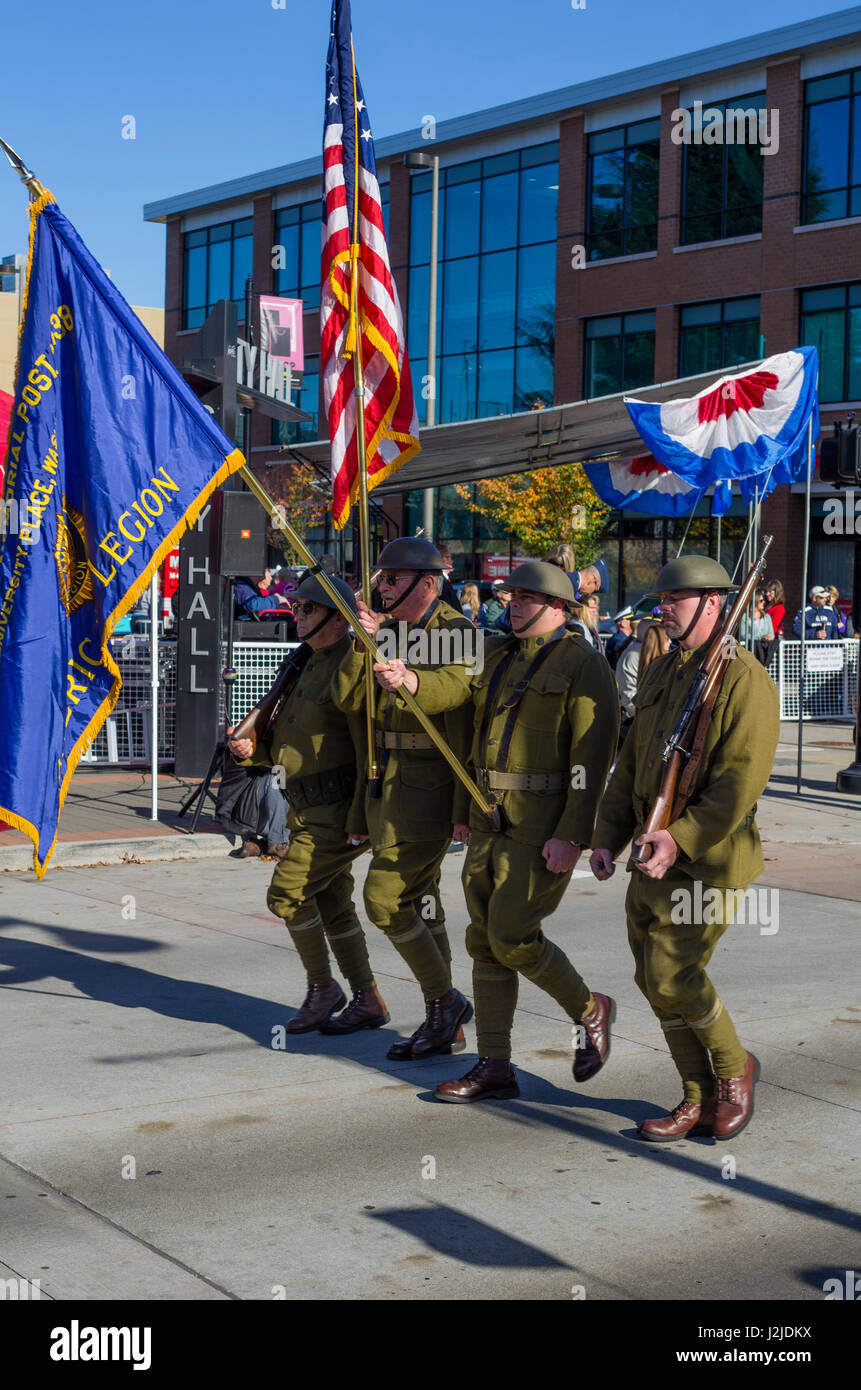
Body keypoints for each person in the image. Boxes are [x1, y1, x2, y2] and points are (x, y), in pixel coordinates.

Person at [378, 561, 620, 1102]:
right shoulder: (494, 653)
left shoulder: (584, 664)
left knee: (512, 935)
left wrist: (573, 835)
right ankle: (494, 1065)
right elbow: (464, 715)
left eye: (529, 597)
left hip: (542, 825)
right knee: (485, 943)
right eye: (512, 595)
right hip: (489, 817)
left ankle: (589, 1008)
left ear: (559, 607)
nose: (514, 603)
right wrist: (407, 675)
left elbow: (592, 757)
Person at [589, 556, 779, 1143]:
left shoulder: (747, 680)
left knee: (675, 972)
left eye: (676, 597)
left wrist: (681, 838)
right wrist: (606, 837)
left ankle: (732, 1070)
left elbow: (738, 784)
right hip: (651, 850)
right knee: (652, 976)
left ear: (714, 603)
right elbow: (633, 765)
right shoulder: (665, 671)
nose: (663, 606)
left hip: (709, 858)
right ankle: (695, 1094)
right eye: (663, 597)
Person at [332, 536, 475, 1060]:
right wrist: (360, 640)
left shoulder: (458, 631)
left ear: (428, 584)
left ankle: (445, 1001)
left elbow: (454, 689)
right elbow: (347, 698)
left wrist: (409, 676)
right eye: (381, 578)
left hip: (430, 789)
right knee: (423, 902)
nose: (381, 586)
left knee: (385, 900)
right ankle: (446, 1022)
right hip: (383, 781)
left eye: (392, 578)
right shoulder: (384, 631)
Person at [227, 574, 388, 1035]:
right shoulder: (305, 662)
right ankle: (367, 999)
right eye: (297, 607)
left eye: (308, 610)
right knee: (332, 901)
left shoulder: (352, 662)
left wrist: (362, 817)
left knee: (287, 894)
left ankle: (324, 988)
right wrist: (252, 749)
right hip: (303, 808)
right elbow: (284, 729)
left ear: (339, 620)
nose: (297, 615)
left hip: (336, 811)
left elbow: (365, 746)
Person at [616, 619, 650, 722]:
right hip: (635, 717)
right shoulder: (634, 655)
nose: (669, 641)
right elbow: (628, 693)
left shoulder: (641, 652)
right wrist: (645, 716)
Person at [739, 590, 776, 667]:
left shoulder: (767, 617)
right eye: (761, 600)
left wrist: (768, 637)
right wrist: (760, 637)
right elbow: (743, 634)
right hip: (750, 650)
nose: (764, 602)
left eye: (764, 600)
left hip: (765, 649)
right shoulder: (745, 617)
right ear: (754, 601)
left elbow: (772, 634)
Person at [436, 545, 461, 611]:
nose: (452, 561)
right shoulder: (440, 580)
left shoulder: (444, 579)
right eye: (450, 557)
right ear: (443, 559)